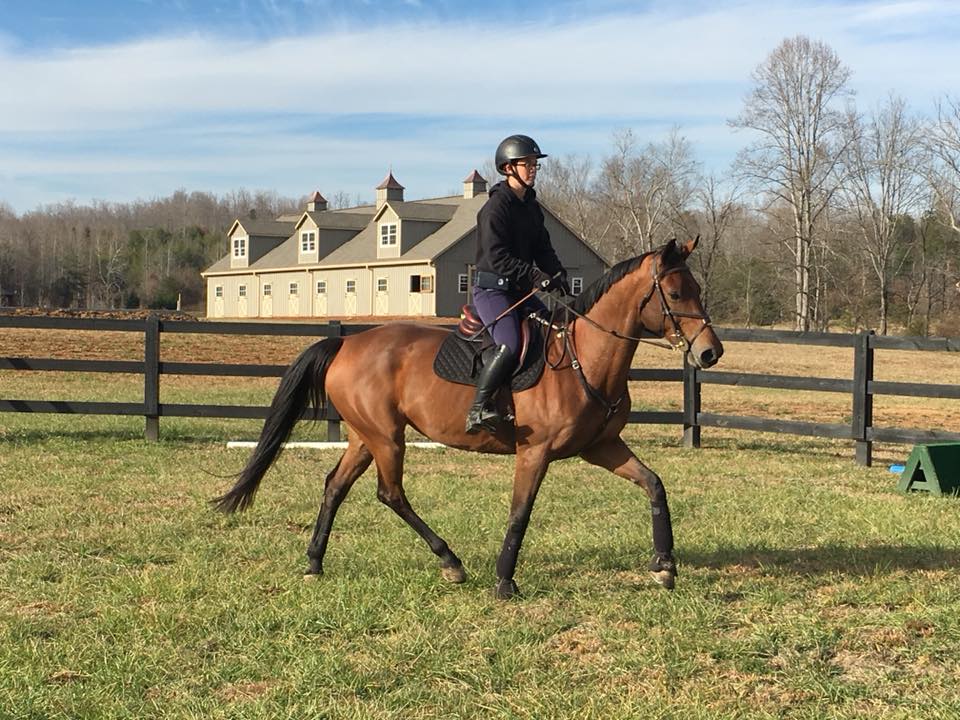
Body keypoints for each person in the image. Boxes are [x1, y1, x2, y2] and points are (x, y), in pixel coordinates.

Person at [465, 134, 570, 434]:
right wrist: (536, 277)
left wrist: (557, 273)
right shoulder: (495, 209)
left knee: (552, 333)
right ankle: (478, 410)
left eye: (535, 164)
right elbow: (498, 258)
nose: (533, 169)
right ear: (508, 168)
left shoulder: (531, 208)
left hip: (519, 291)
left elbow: (543, 249)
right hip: (492, 289)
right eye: (528, 164)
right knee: (510, 343)